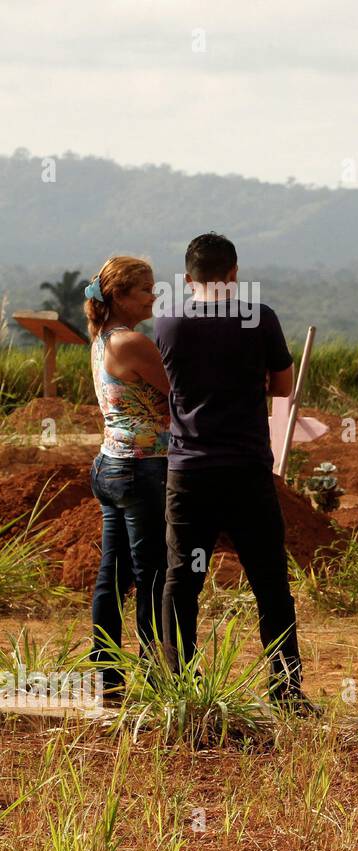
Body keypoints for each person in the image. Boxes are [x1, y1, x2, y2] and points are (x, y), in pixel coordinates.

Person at [154, 232, 313, 710]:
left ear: (187, 279)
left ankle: (179, 685)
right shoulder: (259, 318)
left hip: (189, 471)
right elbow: (283, 389)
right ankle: (286, 690)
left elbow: (166, 387)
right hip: (246, 469)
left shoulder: (166, 324)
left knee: (182, 579)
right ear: (234, 273)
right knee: (270, 582)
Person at [84, 256, 172, 701]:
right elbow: (179, 395)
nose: (153, 296)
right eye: (145, 289)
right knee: (153, 574)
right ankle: (159, 681)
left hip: (110, 464)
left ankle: (108, 681)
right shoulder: (134, 343)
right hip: (141, 468)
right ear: (119, 295)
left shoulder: (102, 339)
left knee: (112, 577)